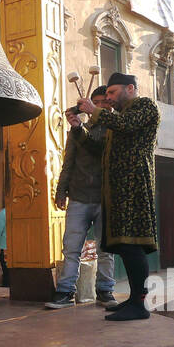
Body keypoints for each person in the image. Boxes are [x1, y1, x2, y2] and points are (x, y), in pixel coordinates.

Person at [75, 72, 160, 322]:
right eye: (107, 94)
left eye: (112, 93)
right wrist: (78, 128)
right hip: (118, 191)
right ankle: (133, 300)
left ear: (130, 89)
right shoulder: (118, 118)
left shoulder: (146, 106)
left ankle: (140, 304)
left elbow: (127, 125)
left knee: (133, 245)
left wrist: (95, 111)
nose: (108, 98)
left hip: (134, 187)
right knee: (124, 246)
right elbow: (99, 148)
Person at [47, 88, 116, 308]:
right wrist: (61, 190)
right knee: (71, 248)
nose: (99, 106)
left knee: (106, 249)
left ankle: (105, 290)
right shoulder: (79, 130)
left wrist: (78, 129)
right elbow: (68, 162)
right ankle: (65, 291)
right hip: (79, 196)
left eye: (104, 102)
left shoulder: (115, 130)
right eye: (94, 103)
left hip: (105, 197)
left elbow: (99, 148)